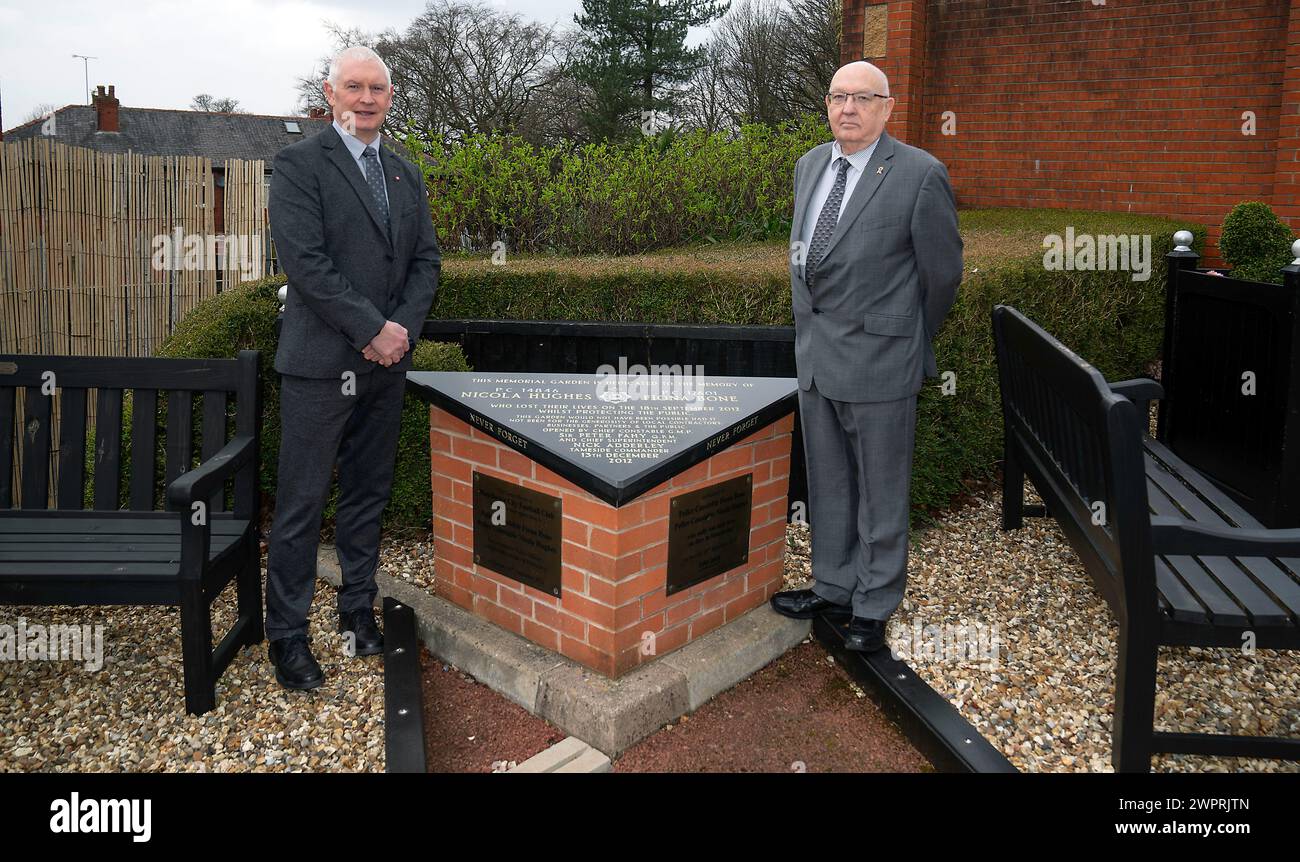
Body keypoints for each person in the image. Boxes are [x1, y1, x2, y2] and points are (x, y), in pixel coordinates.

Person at [770, 61, 962, 652]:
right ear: (826, 105)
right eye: (838, 97)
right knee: (828, 484)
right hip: (817, 360)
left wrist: (904, 335)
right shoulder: (809, 166)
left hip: (881, 362)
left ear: (887, 107)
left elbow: (943, 274)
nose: (848, 108)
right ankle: (832, 585)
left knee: (881, 490)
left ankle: (874, 604)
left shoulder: (919, 174)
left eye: (862, 98)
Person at [265, 45, 440, 689]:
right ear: (330, 92)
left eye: (379, 89)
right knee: (302, 505)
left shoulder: (404, 172)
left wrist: (399, 335)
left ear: (390, 97)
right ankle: (287, 637)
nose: (367, 99)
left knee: (367, 494)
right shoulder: (299, 164)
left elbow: (425, 263)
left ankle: (356, 612)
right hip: (319, 366)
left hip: (386, 367)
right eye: (354, 87)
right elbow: (306, 264)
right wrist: (372, 329)